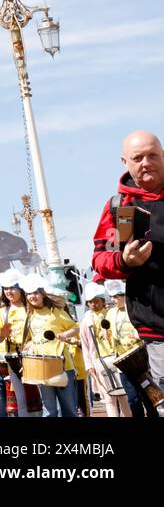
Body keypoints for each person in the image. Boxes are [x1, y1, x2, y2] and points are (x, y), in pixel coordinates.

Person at [91, 130, 163, 391]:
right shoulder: (118, 207)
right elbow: (100, 260)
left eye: (152, 155)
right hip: (157, 326)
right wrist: (124, 260)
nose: (146, 162)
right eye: (138, 157)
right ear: (125, 162)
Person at [17, 274, 80, 417]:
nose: (32, 296)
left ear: (42, 294)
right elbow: (30, 339)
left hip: (63, 366)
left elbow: (76, 328)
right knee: (49, 411)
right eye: (29, 294)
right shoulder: (29, 316)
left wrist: (65, 335)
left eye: (35, 292)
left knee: (69, 409)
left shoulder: (56, 312)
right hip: (42, 367)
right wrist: (30, 345)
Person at [106, 279, 157, 417]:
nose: (114, 299)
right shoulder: (110, 313)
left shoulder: (135, 308)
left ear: (125, 295)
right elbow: (108, 333)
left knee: (148, 395)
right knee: (133, 399)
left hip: (140, 360)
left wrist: (137, 336)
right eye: (112, 296)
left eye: (117, 296)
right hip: (122, 363)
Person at [80, 282, 129, 417]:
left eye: (96, 301)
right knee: (109, 398)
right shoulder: (86, 321)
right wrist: (89, 365)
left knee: (123, 395)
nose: (93, 304)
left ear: (102, 301)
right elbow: (85, 344)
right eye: (89, 302)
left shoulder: (111, 314)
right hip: (98, 362)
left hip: (117, 358)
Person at [0, 270, 31, 417]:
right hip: (13, 361)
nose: (9, 291)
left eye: (12, 287)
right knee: (21, 401)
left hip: (33, 359)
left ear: (21, 289)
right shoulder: (3, 312)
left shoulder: (30, 308)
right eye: (6, 288)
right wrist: (2, 335)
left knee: (39, 399)